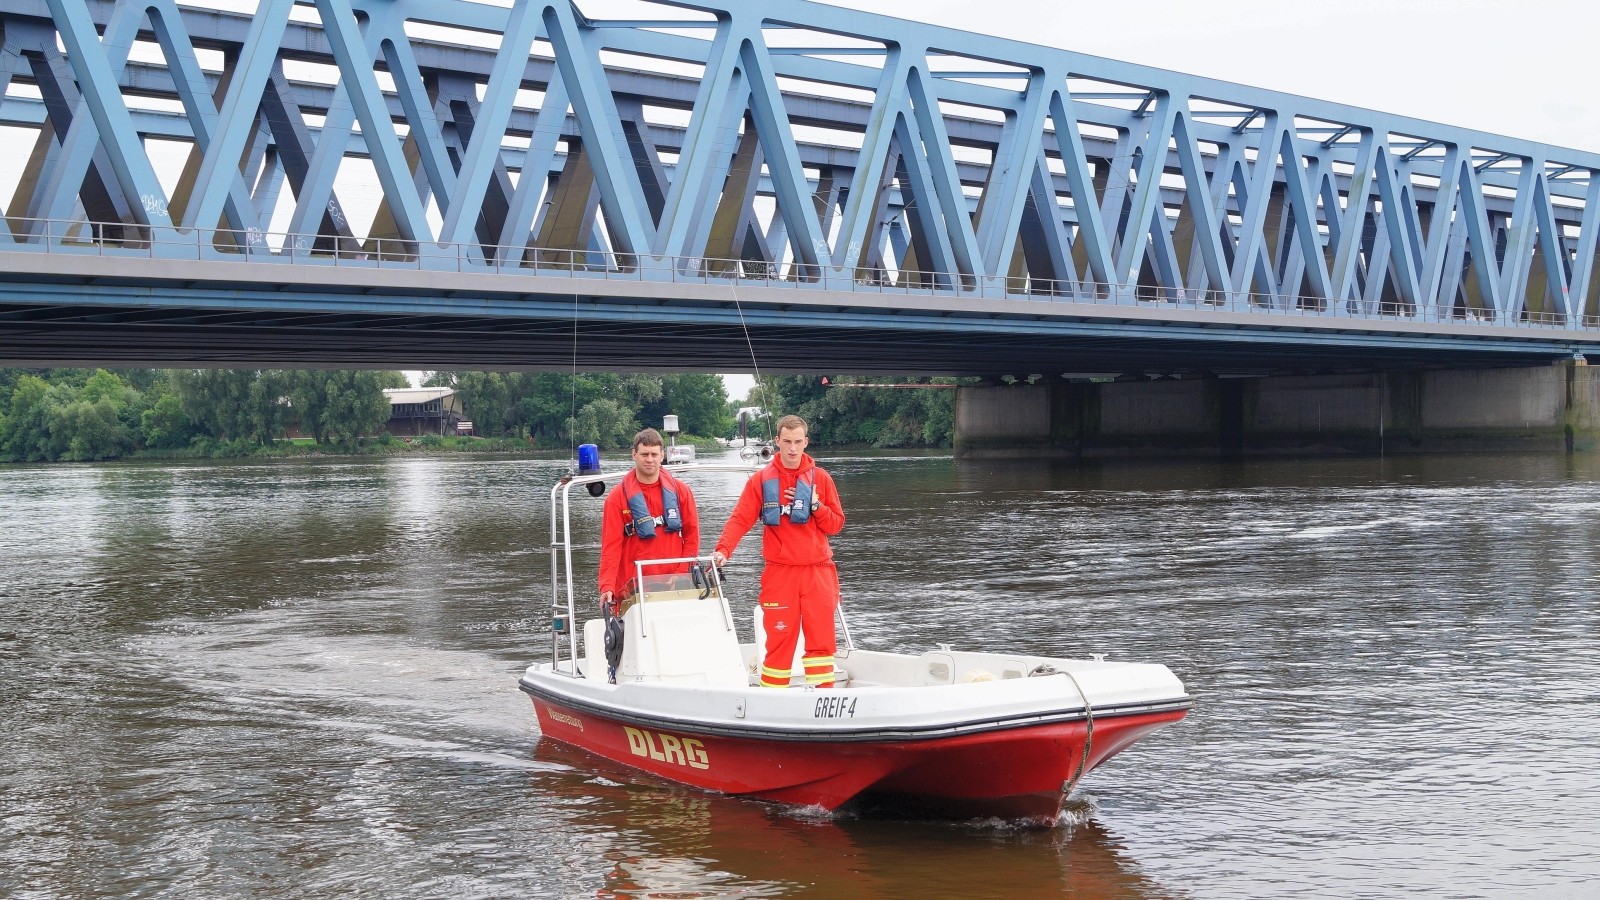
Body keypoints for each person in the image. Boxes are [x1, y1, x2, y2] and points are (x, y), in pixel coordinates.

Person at [712, 415, 845, 688]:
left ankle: (825, 704)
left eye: (798, 442)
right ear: (777, 441)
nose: (793, 448)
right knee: (778, 646)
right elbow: (740, 519)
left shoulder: (821, 478)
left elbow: (836, 525)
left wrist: (815, 506)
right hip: (779, 574)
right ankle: (774, 705)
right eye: (787, 442)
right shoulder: (761, 481)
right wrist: (723, 550)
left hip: (818, 573)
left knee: (821, 645)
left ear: (806, 442)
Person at [598, 428, 699, 612]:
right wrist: (607, 586)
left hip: (673, 584)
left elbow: (692, 536)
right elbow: (610, 547)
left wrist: (682, 572)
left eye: (654, 454)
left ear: (662, 455)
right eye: (644, 454)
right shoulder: (616, 498)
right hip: (633, 587)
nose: (649, 459)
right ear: (634, 455)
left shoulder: (681, 492)